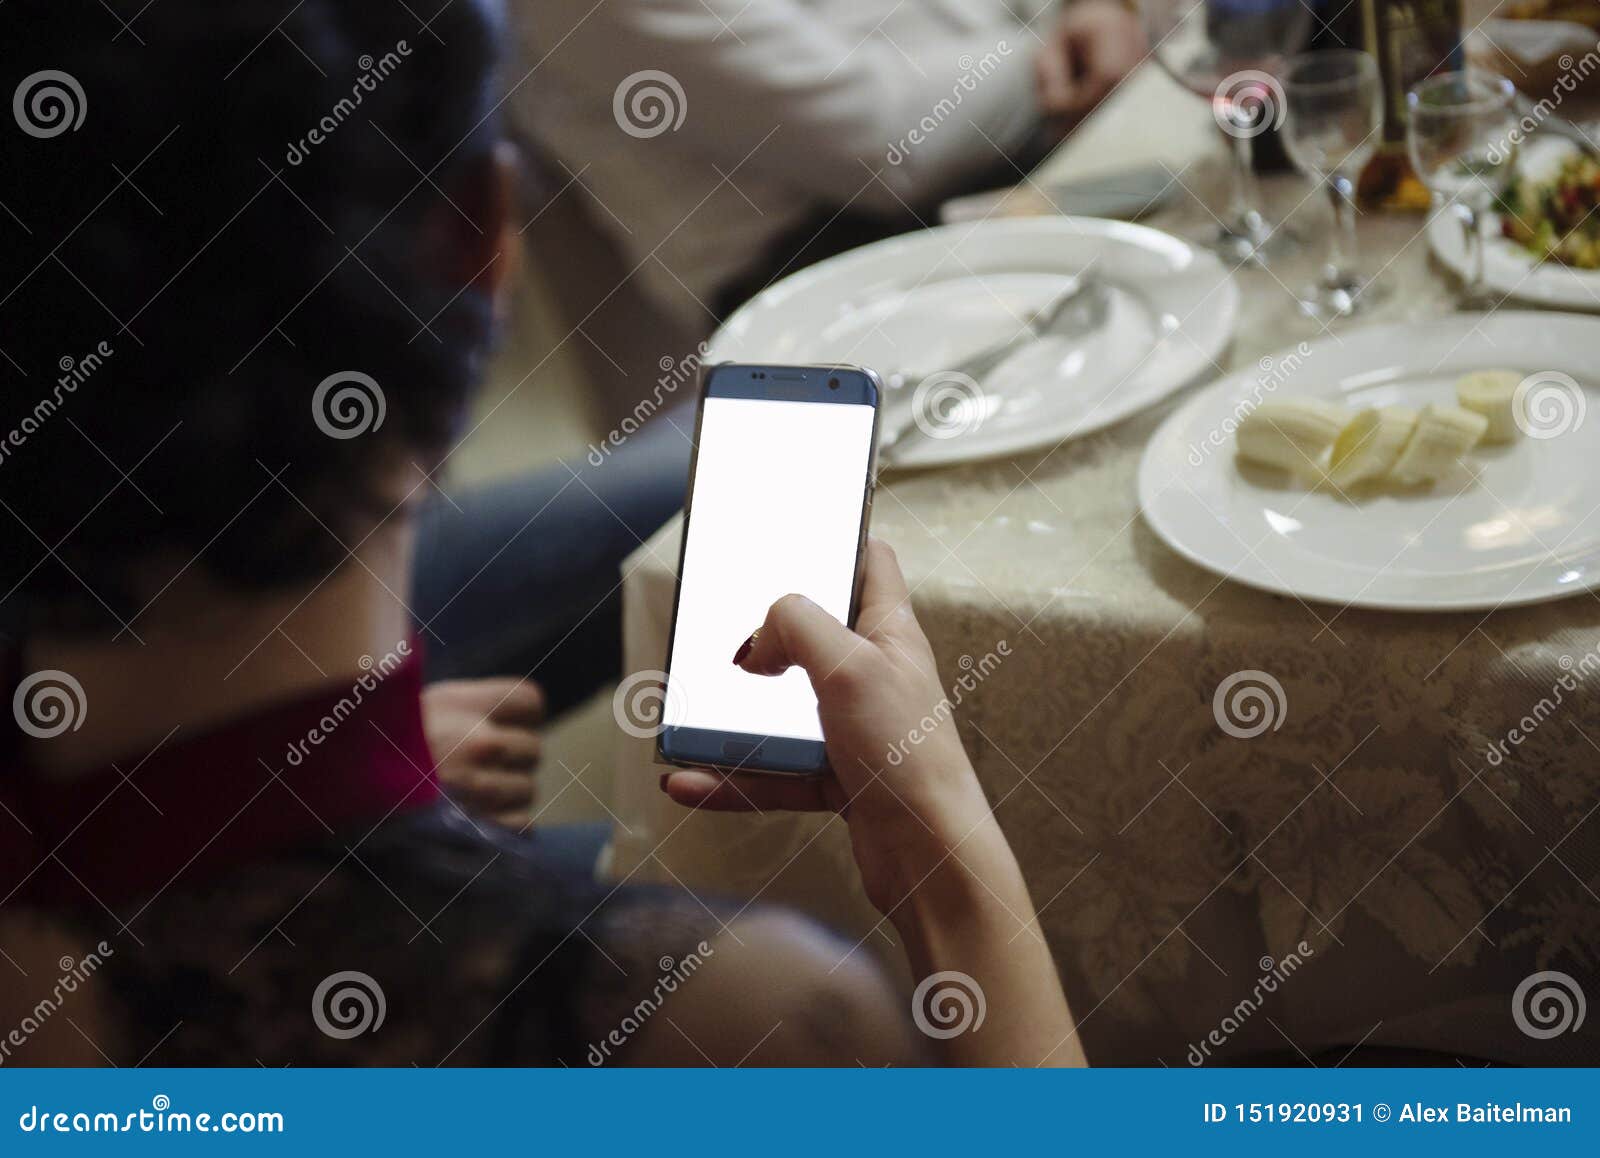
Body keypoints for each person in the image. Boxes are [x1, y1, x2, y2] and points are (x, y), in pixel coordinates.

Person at [0, 0, 1083, 1067]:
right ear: (480, 239)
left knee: (708, 464)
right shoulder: (748, 1020)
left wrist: (342, 764)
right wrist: (942, 851)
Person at [509, 0, 1146, 321]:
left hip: (1009, 162)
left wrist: (1095, 7)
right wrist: (1066, 46)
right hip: (827, 281)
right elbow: (890, 147)